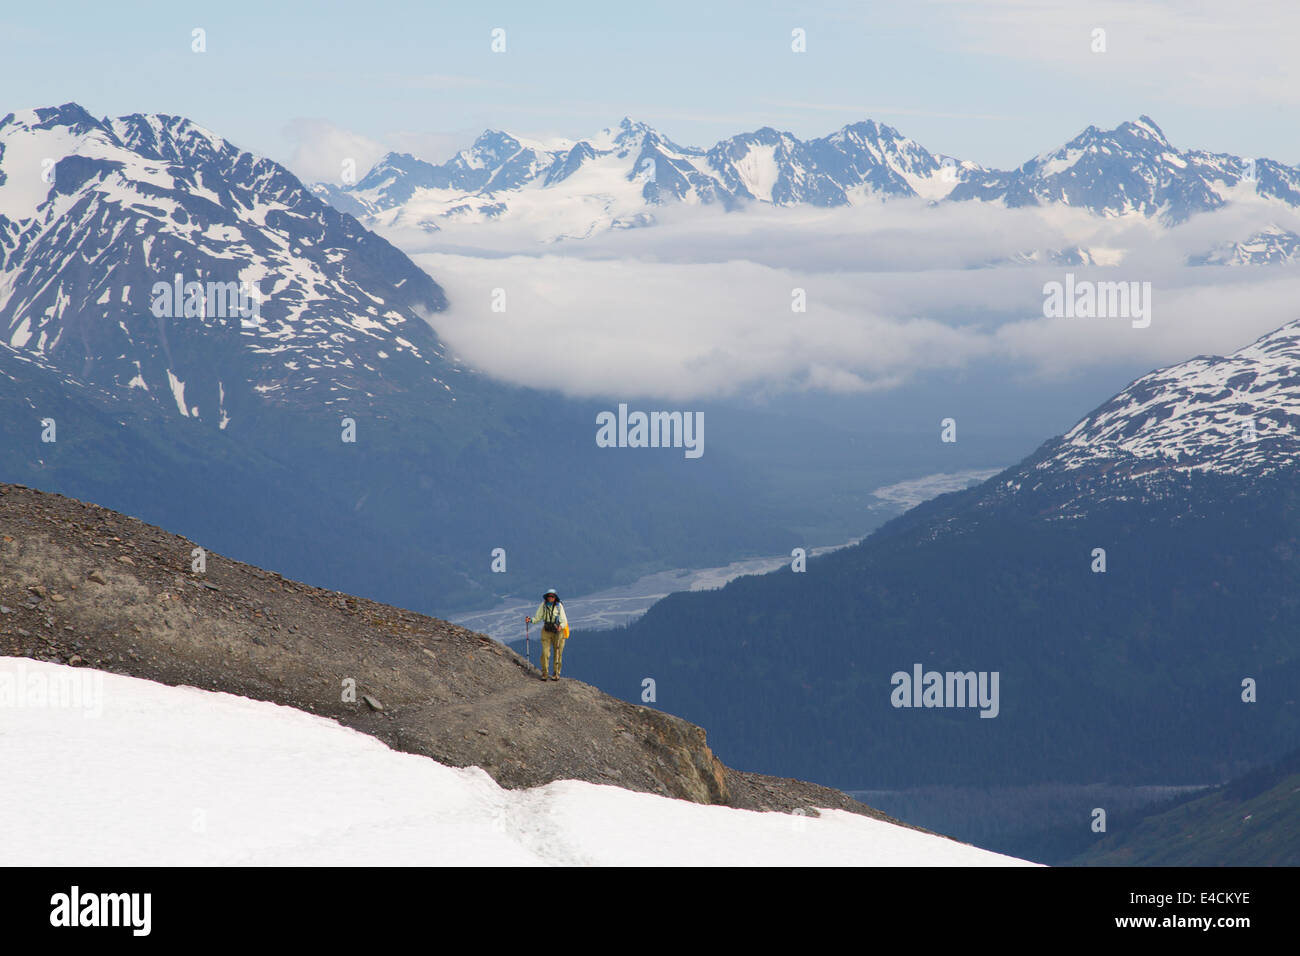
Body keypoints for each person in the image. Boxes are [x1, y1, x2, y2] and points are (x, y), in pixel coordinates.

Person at [525, 589, 568, 681]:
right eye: (549, 596)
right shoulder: (543, 605)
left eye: (552, 596)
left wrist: (561, 626)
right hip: (546, 630)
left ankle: (556, 673)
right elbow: (538, 617)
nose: (550, 598)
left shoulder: (559, 606)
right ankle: (545, 673)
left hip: (558, 632)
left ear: (555, 597)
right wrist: (531, 620)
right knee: (545, 653)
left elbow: (564, 621)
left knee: (557, 653)